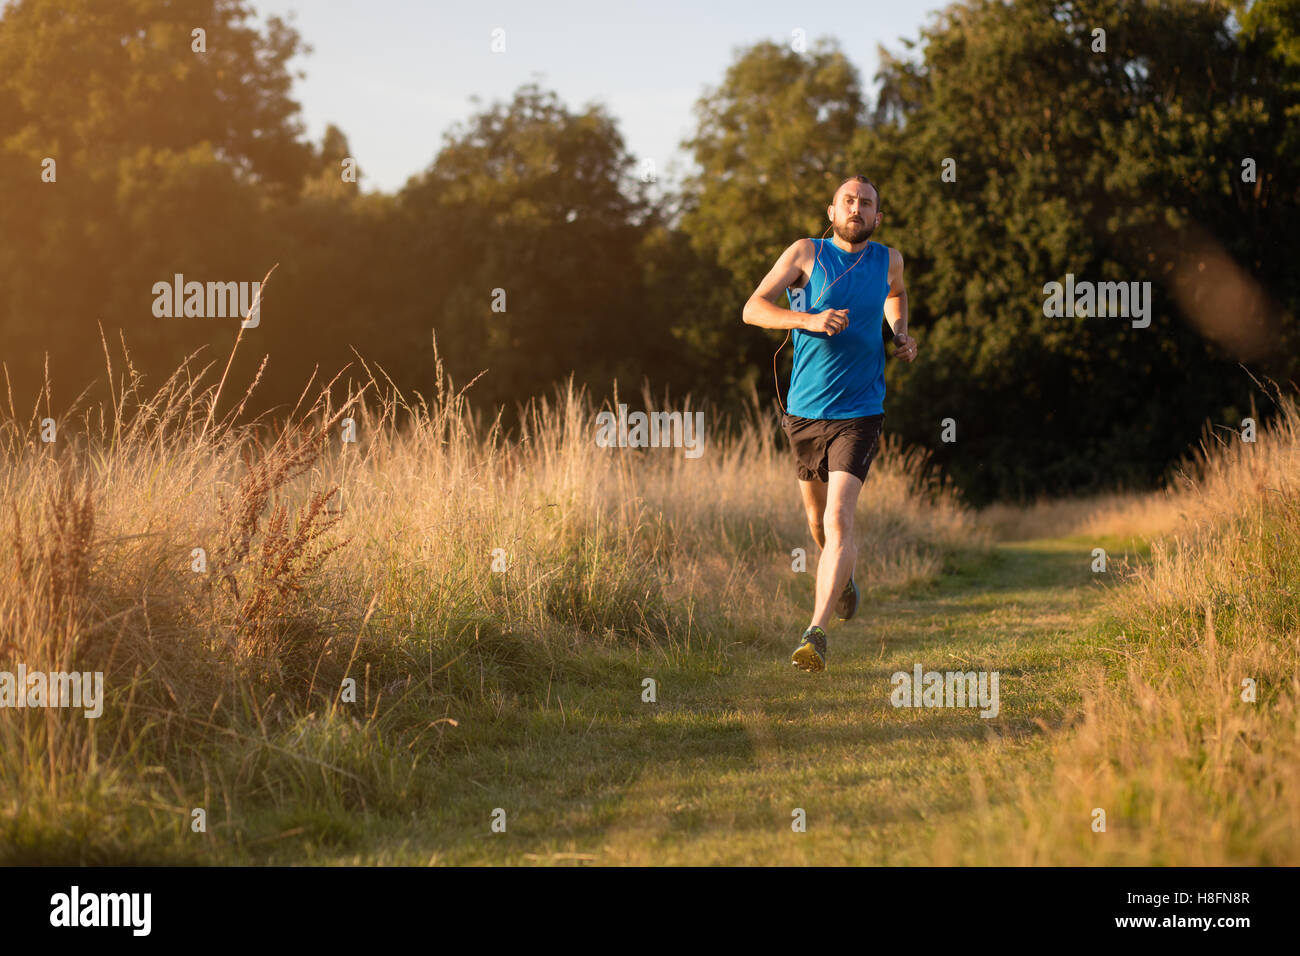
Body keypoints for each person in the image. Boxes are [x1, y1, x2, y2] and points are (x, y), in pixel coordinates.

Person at [741, 175, 918, 672]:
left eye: (866, 203)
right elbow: (753, 309)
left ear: (877, 217)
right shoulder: (805, 254)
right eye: (849, 201)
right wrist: (808, 320)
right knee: (816, 524)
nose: (857, 208)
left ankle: (814, 633)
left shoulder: (889, 259)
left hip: (860, 411)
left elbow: (896, 295)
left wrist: (900, 333)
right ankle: (843, 580)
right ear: (832, 210)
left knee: (840, 520)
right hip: (804, 410)